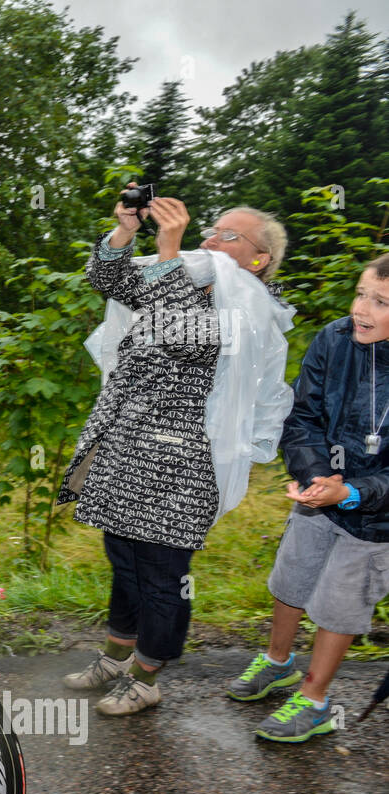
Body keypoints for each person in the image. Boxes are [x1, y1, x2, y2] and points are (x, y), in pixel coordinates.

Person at [58, 188, 294, 715]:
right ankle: (118, 656)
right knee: (123, 559)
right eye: (210, 228)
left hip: (181, 460)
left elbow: (181, 333)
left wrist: (169, 249)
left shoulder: (252, 306)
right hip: (128, 443)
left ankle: (147, 675)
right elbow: (111, 282)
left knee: (162, 571)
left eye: (226, 236)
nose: (209, 239)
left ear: (259, 259)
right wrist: (126, 230)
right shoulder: (197, 278)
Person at [227, 253, 389, 741]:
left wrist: (354, 492)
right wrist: (317, 477)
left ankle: (315, 700)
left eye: (380, 302)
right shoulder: (335, 338)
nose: (361, 308)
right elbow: (302, 417)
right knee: (291, 577)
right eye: (361, 293)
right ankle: (278, 662)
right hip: (321, 491)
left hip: (376, 517)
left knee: (340, 602)